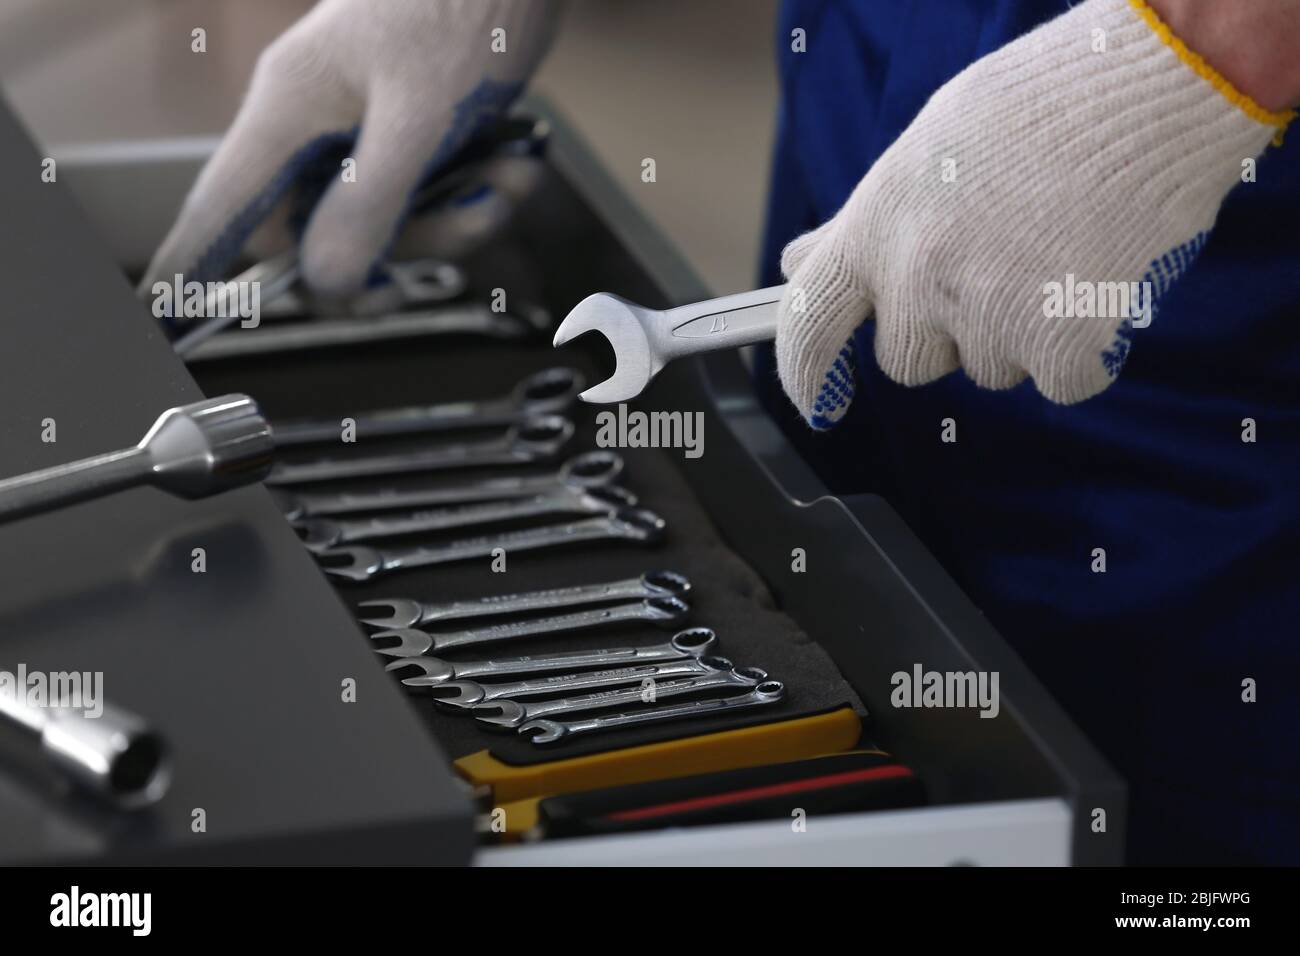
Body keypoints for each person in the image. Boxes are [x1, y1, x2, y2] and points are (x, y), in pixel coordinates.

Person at [144, 0, 1300, 865]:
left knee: (1162, 800)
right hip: (888, 74)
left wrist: (1190, 60)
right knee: (849, 578)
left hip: (1222, 242)